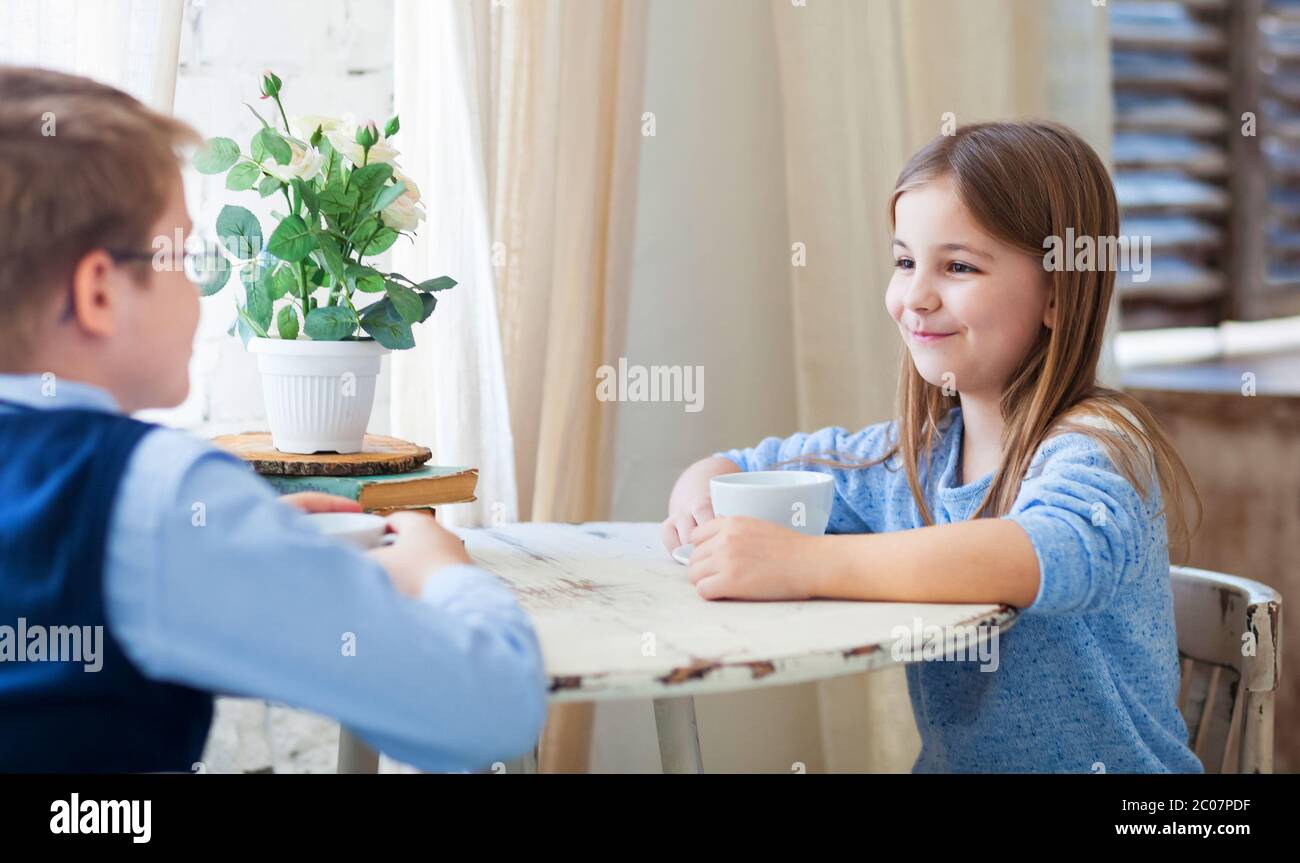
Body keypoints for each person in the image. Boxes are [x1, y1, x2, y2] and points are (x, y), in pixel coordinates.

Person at [0, 65, 546, 773]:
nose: (199, 288)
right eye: (182, 253)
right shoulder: (158, 494)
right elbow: (493, 709)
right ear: (100, 291)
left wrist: (240, 536)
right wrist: (441, 571)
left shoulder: (157, 506)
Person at [663, 121, 1204, 774]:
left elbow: (1045, 551)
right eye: (904, 261)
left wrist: (804, 562)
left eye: (958, 266)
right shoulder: (911, 461)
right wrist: (700, 501)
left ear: (1057, 294)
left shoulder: (1099, 447)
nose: (915, 296)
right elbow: (741, 467)